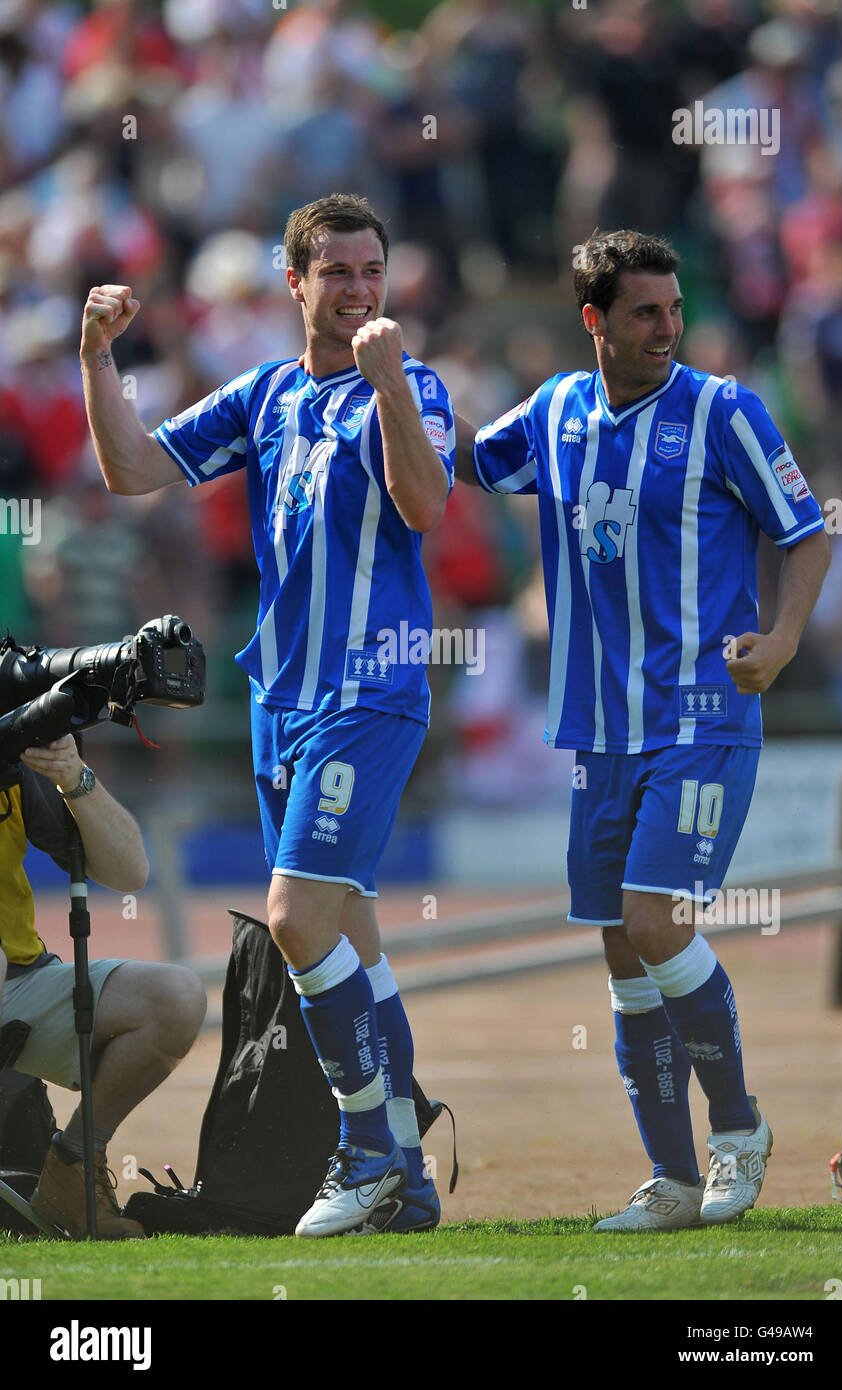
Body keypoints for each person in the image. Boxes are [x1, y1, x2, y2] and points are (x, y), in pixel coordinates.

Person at [80, 193, 454, 1237]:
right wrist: (96, 359)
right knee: (353, 933)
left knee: (294, 920)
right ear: (294, 284)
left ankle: (370, 1151)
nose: (358, 290)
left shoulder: (412, 384)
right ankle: (409, 1178)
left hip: (370, 689)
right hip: (279, 694)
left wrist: (384, 387)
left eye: (371, 271)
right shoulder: (262, 394)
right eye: (335, 272)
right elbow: (131, 469)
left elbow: (425, 505)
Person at [455, 229, 831, 1231]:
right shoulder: (551, 412)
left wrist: (782, 638)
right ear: (594, 322)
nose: (668, 328)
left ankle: (738, 1128)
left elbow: (803, 530)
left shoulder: (722, 411)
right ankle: (668, 1179)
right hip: (598, 730)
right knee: (624, 954)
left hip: (703, 714)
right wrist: (396, 385)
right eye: (644, 314)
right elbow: (465, 466)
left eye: (672, 310)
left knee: (658, 920)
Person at [0, 735, 206, 1239]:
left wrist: (73, 775)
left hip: (17, 979)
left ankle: (73, 1167)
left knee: (176, 997)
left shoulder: (10, 759)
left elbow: (129, 872)